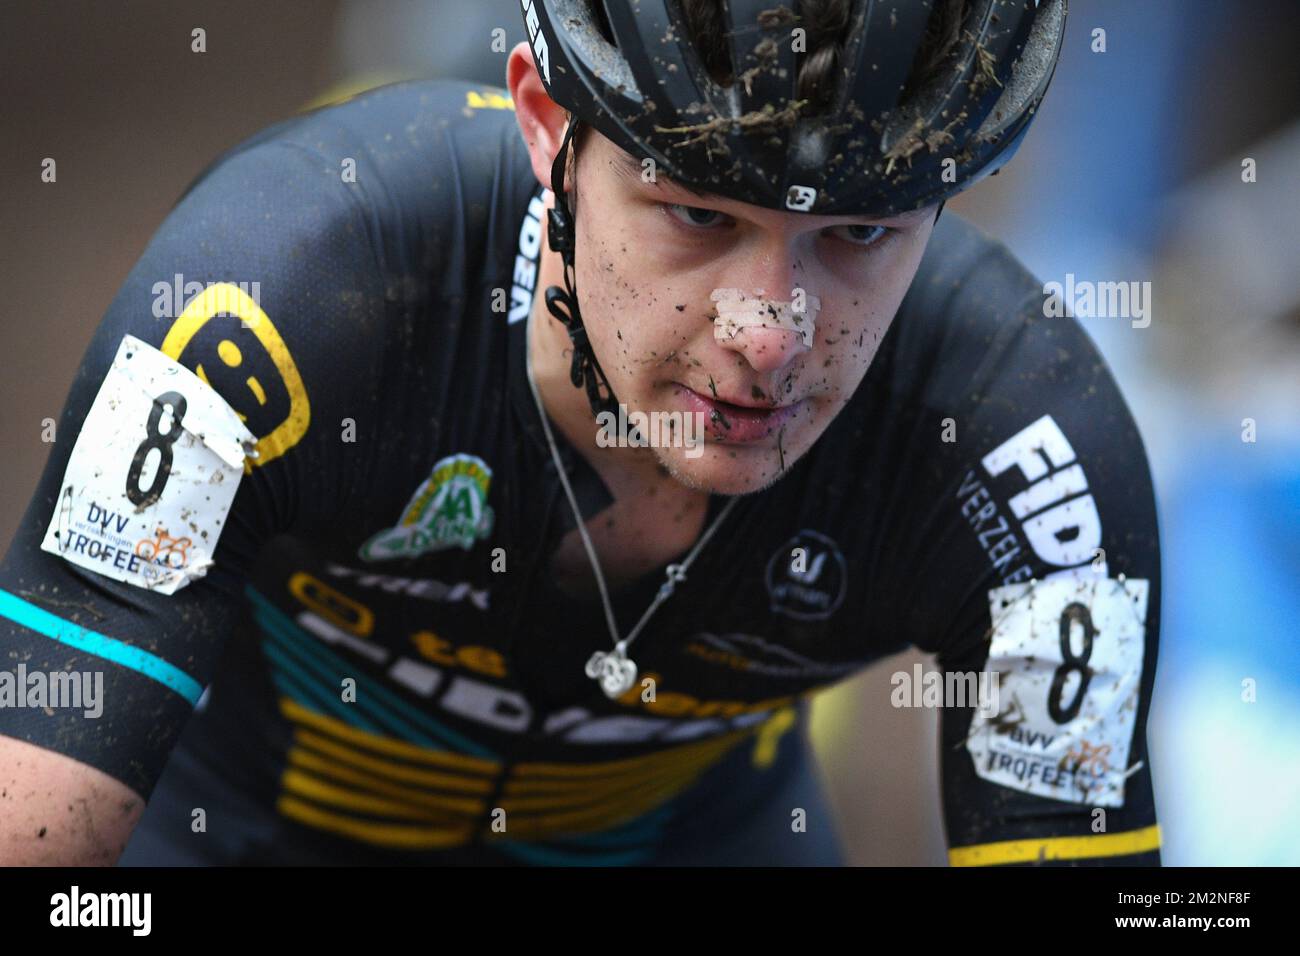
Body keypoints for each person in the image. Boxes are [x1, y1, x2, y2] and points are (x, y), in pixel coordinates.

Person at [0, 0, 1162, 866]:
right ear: (545, 127)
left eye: (861, 234)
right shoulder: (278, 294)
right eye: (699, 212)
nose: (770, 333)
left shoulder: (1032, 447)